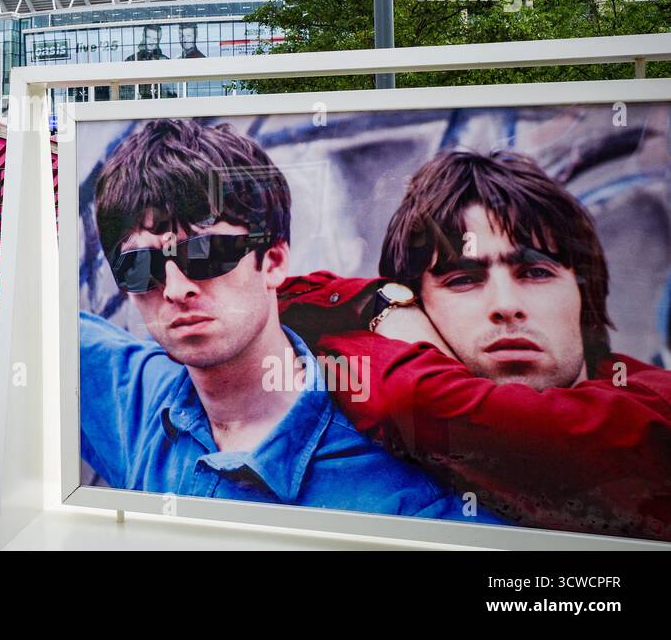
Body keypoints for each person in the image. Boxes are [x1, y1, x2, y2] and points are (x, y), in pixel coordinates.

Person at [80, 119, 496, 522]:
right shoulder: (133, 402)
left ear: (274, 262)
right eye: (139, 267)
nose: (174, 288)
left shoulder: (404, 501)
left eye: (205, 254)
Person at [279, 150, 671, 541]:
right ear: (420, 307)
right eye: (463, 280)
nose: (505, 306)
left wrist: (381, 309)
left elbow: (415, 398)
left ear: (585, 294)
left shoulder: (658, 404)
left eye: (536, 272)